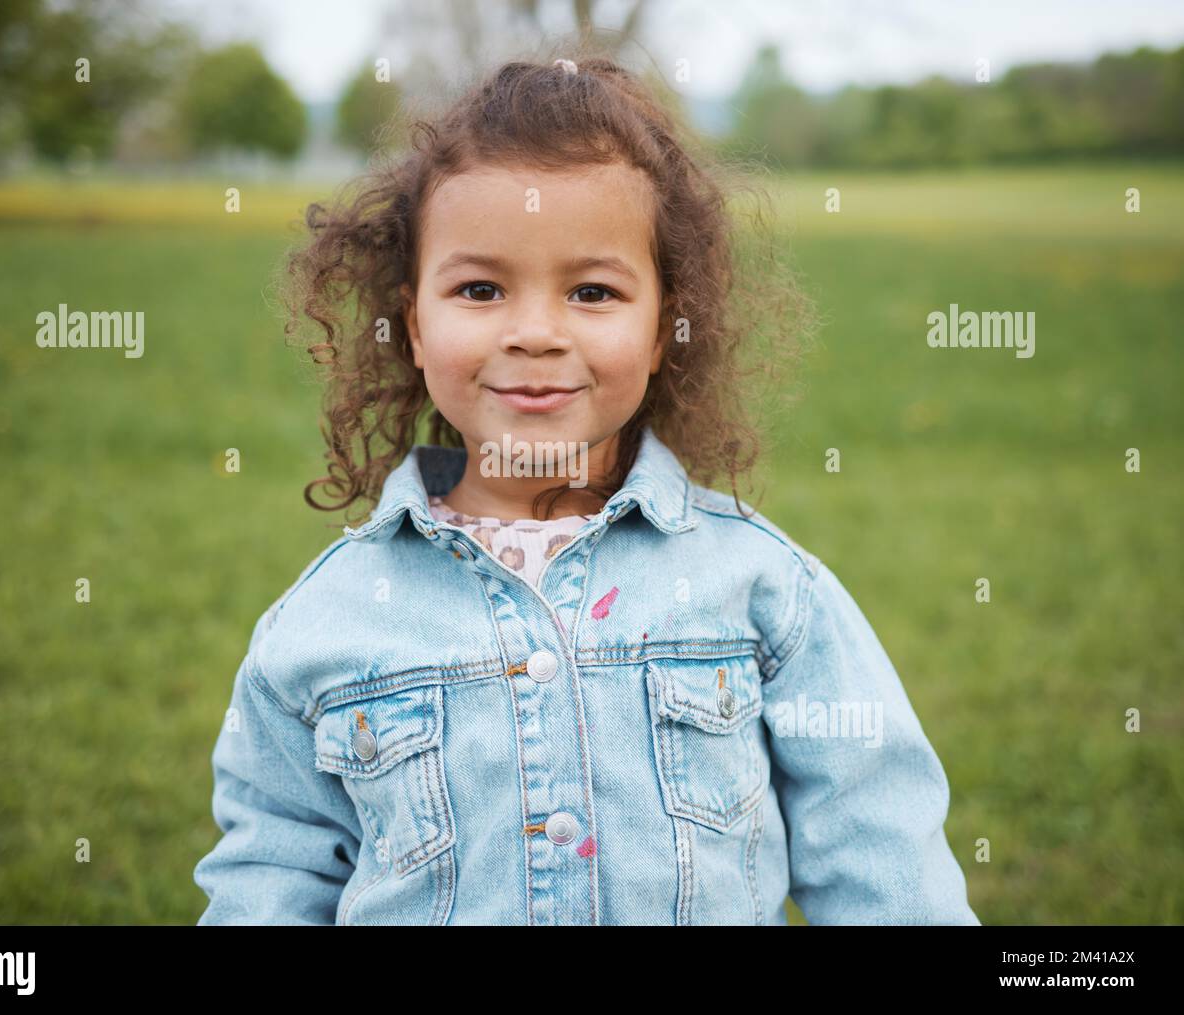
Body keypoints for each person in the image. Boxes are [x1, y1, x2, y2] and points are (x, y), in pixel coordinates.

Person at [192, 50, 980, 925]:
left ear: (660, 329)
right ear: (415, 325)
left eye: (594, 291)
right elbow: (269, 877)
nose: (535, 332)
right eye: (481, 288)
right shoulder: (323, 625)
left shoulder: (769, 596)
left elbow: (884, 864)